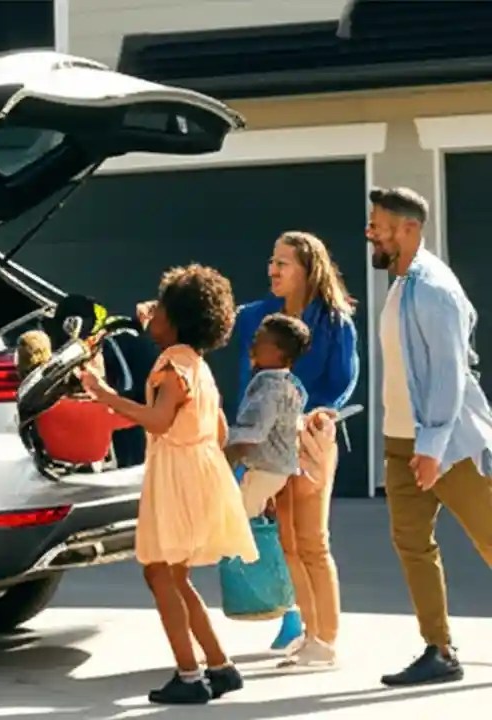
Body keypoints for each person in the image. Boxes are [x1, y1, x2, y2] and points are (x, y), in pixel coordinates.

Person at [80, 264, 256, 705]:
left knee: (159, 572)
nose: (149, 312)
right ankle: (220, 666)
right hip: (201, 472)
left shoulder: (172, 365)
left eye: (158, 308)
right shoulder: (197, 365)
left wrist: (102, 393)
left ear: (176, 320)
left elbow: (159, 420)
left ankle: (190, 675)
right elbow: (217, 429)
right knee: (174, 574)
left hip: (176, 478)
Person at [365, 186, 492, 687]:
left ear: (409, 228)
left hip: (447, 444)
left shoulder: (434, 288)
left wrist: (431, 447)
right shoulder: (401, 284)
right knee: (412, 543)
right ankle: (439, 650)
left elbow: (449, 373)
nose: (370, 233)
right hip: (402, 442)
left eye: (378, 226)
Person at [233, 231, 358, 660]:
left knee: (312, 542)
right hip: (268, 449)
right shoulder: (258, 315)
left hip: (311, 441)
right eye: (272, 261)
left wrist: (321, 414)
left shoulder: (335, 321)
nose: (272, 269)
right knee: (285, 543)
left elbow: (343, 380)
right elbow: (219, 320)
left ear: (307, 269)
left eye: (282, 262)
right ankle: (307, 631)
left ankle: (327, 639)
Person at [225, 314, 311, 518]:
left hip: (265, 470)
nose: (253, 345)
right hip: (277, 469)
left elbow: (256, 432)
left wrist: (222, 436)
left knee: (235, 519)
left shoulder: (271, 389)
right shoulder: (291, 385)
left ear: (280, 353)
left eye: (260, 341)